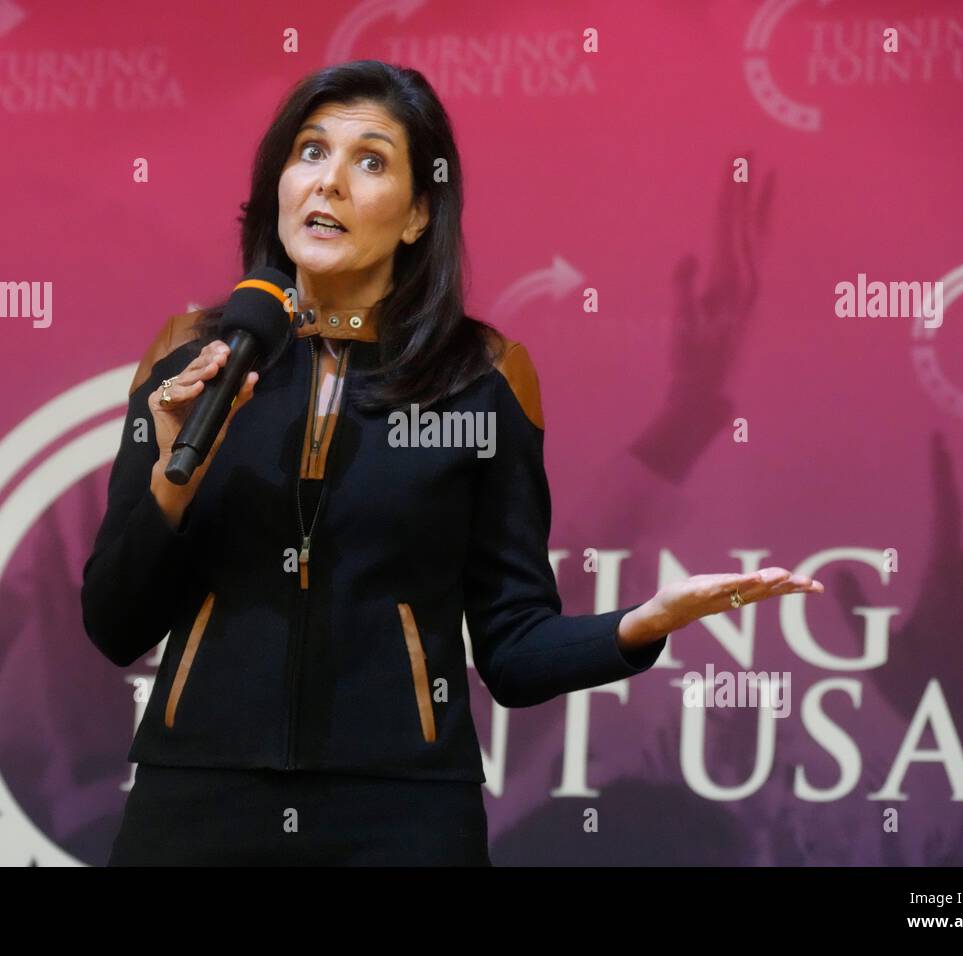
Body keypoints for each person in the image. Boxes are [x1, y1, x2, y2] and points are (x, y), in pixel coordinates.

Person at [81, 60, 823, 866]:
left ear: (416, 214)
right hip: (193, 807)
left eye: (370, 161)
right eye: (310, 152)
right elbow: (116, 623)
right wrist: (171, 477)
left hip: (401, 814)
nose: (328, 182)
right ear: (278, 184)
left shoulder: (482, 377)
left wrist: (643, 624)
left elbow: (511, 645)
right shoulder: (193, 357)